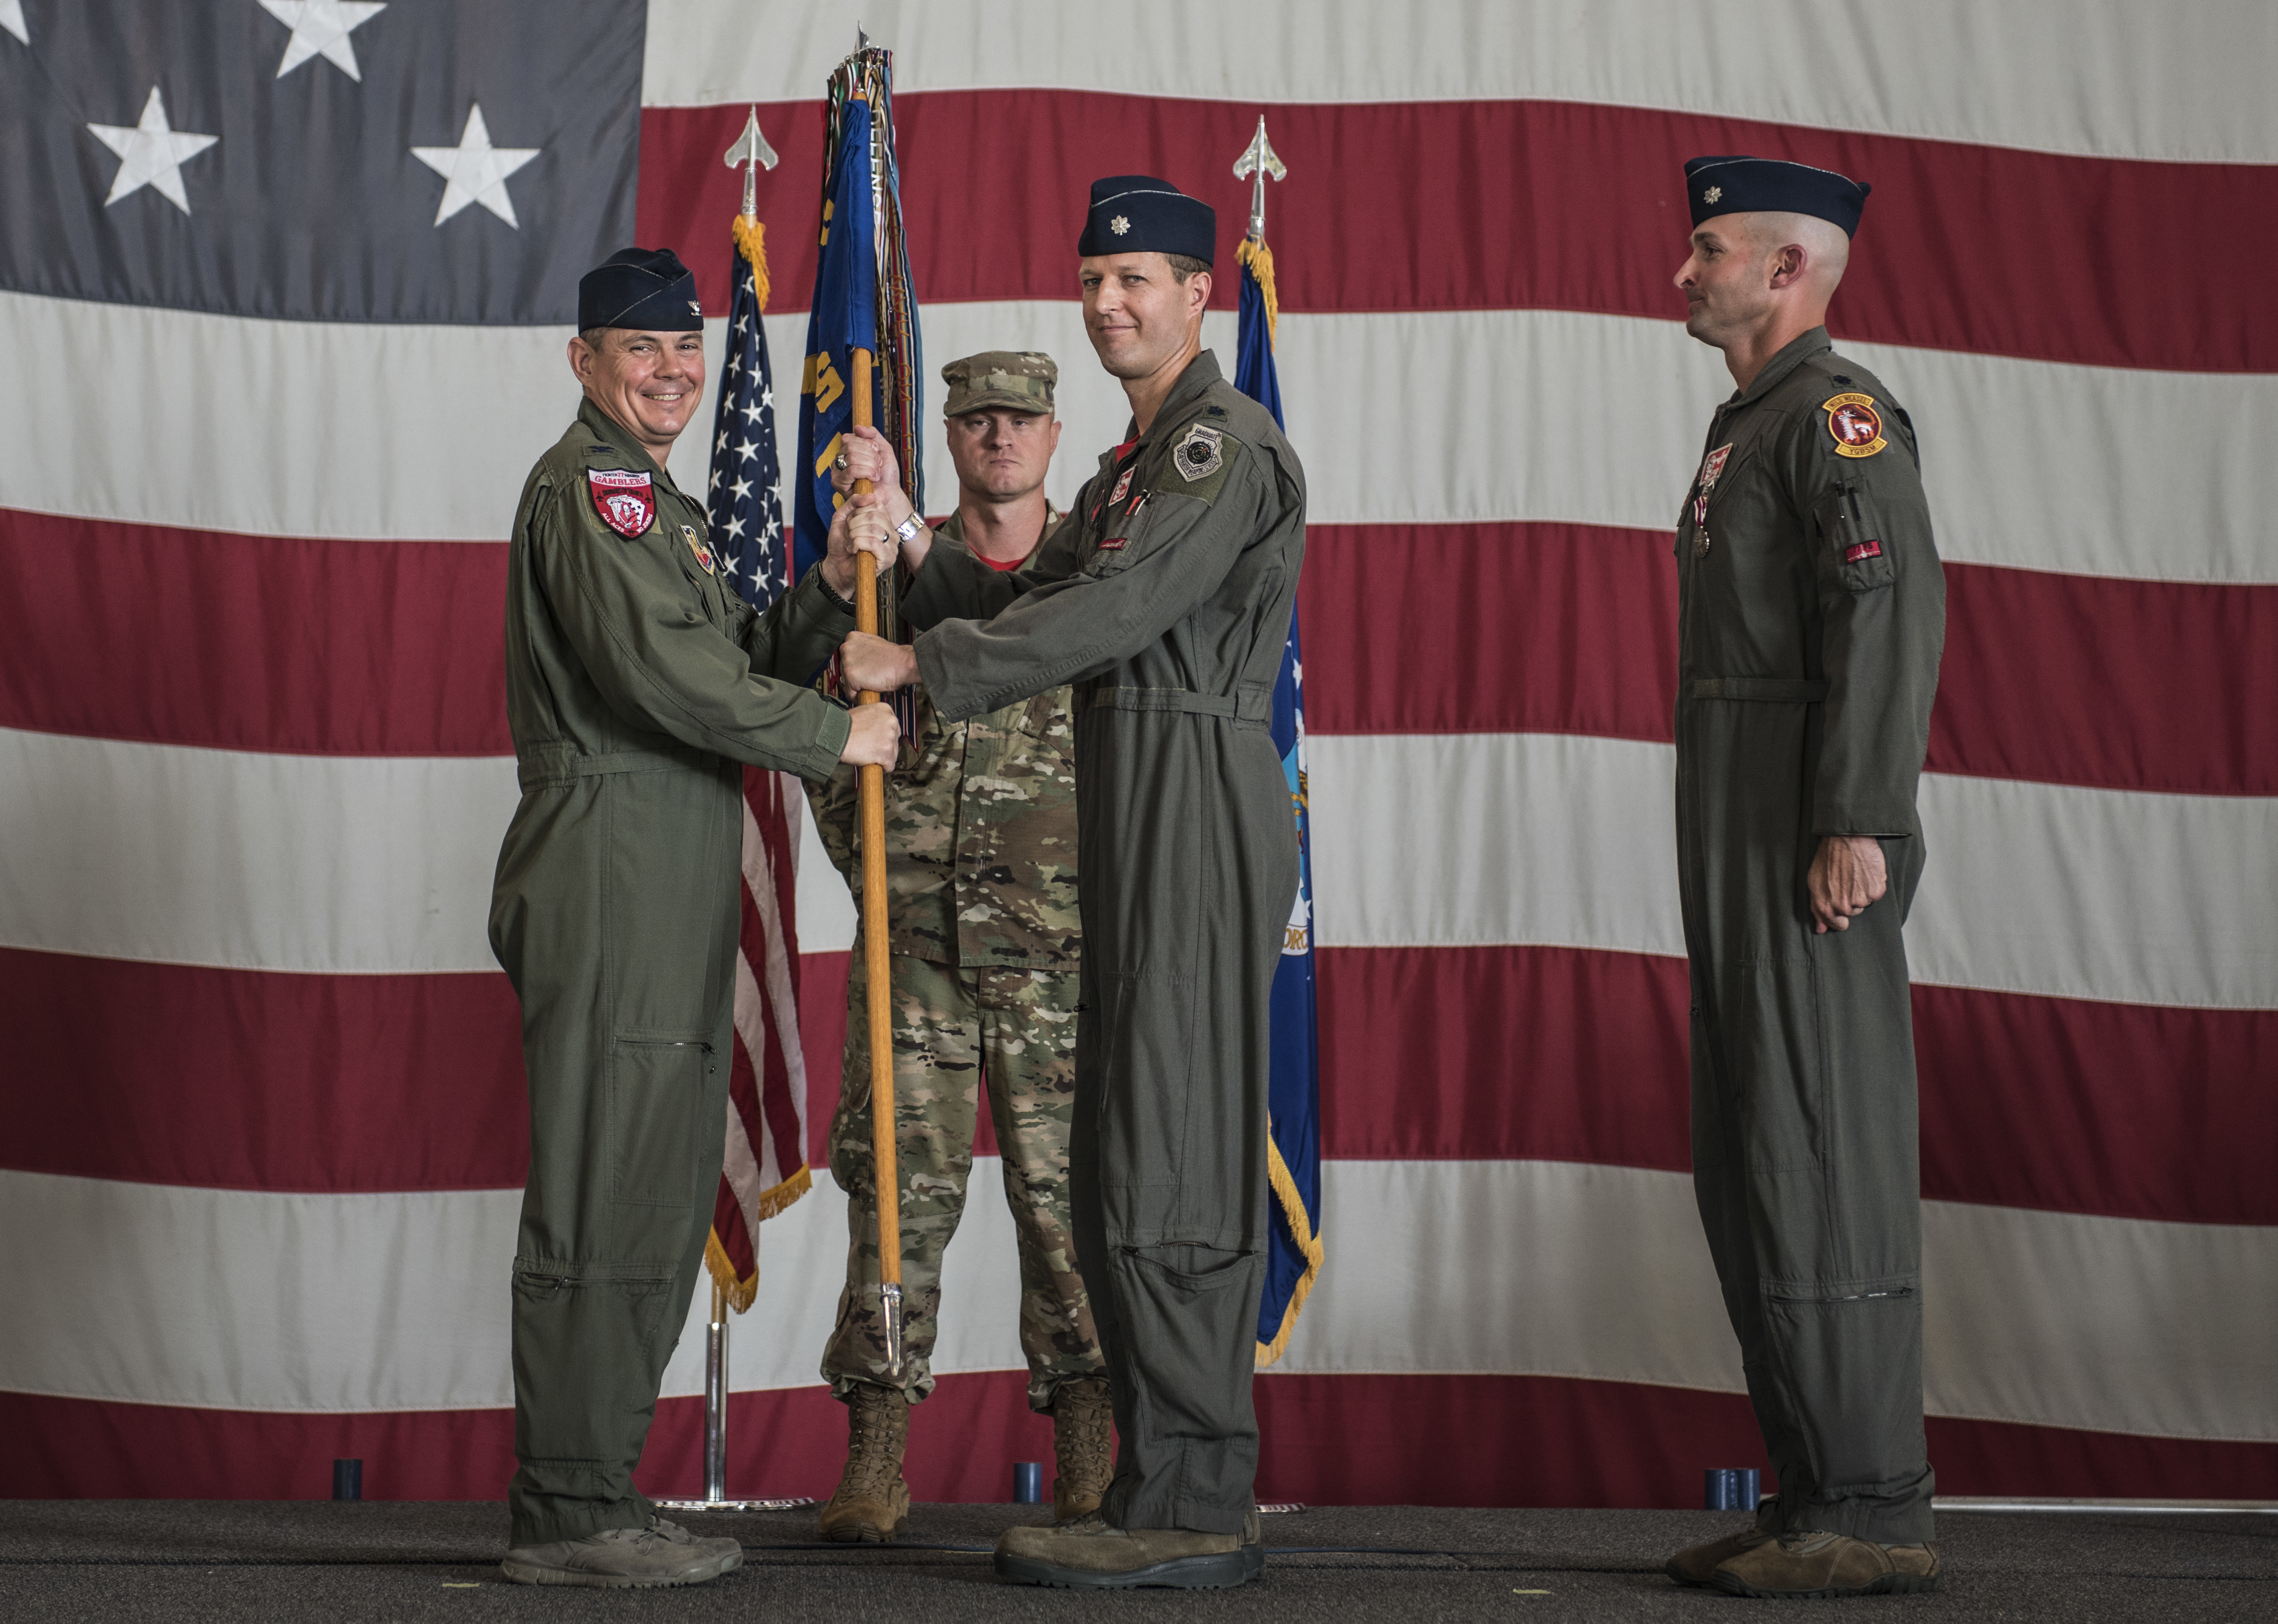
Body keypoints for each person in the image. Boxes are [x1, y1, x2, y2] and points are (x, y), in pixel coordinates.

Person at [829, 175, 1304, 1591]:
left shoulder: (1215, 446)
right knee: (1119, 1156)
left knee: (1170, 1149)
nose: (1108, 303)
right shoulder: (1125, 464)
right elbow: (1040, 594)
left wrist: (920, 663)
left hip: (1192, 792)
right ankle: (1157, 1480)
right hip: (1128, 786)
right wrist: (913, 543)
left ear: (1195, 296)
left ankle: (1194, 1497)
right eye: (1092, 279)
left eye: (1139, 280)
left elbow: (1111, 612)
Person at [487, 247, 899, 1589]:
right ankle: (564, 1508)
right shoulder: (595, 491)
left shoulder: (659, 503)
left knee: (656, 1191)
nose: (669, 372)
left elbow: (726, 652)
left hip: (664, 852)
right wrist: (840, 735)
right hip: (613, 852)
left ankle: (594, 1485)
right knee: (604, 1185)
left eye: (684, 353)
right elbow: (668, 678)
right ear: (583, 362)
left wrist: (832, 586)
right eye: (638, 351)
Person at [1659, 158, 1947, 1600]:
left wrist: (1854, 814)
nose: (1680, 270)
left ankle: (1872, 1504)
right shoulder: (1750, 421)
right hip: (1735, 803)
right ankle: (1806, 1491)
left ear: (1787, 268)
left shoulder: (1837, 416)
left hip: (1801, 812)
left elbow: (1883, 608)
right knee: (1754, 1148)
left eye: (1706, 248)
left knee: (1819, 1141)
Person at [782, 350, 1111, 1543]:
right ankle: (875, 1444)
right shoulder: (879, 578)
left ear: (1054, 433)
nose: (998, 438)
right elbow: (830, 734)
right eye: (975, 420)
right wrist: (882, 872)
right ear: (952, 434)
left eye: (1019, 419)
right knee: (893, 1201)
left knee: (1064, 1205)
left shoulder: (1089, 576)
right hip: (915, 946)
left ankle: (1086, 1435)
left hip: (1056, 955)